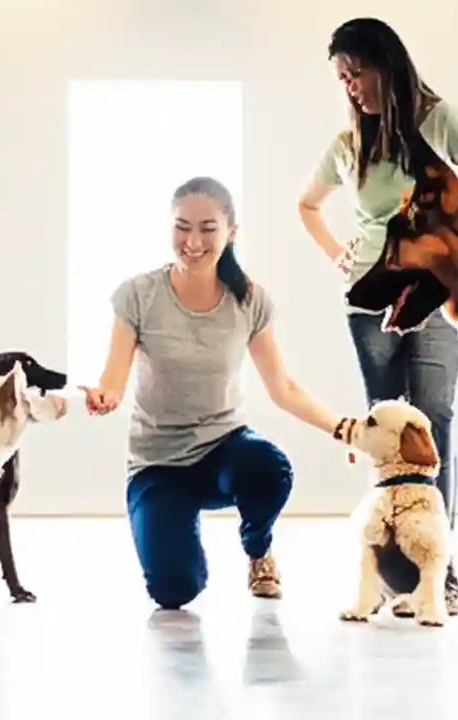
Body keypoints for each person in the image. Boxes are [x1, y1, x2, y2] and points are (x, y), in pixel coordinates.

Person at [83, 177, 345, 609]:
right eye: (182, 226)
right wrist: (102, 397)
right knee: (173, 591)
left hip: (223, 449)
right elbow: (112, 380)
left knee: (269, 469)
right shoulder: (138, 295)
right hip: (158, 463)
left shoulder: (250, 300)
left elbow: (283, 388)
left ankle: (258, 551)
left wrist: (345, 429)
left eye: (207, 228)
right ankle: (175, 527)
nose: (192, 241)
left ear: (231, 233)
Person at [296, 17, 458, 615]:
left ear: (388, 64)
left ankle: (438, 575)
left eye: (358, 72)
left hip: (435, 297)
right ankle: (394, 578)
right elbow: (307, 204)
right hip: (370, 298)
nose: (351, 87)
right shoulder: (349, 144)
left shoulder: (441, 120)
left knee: (435, 425)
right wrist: (337, 253)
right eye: (343, 78)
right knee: (386, 443)